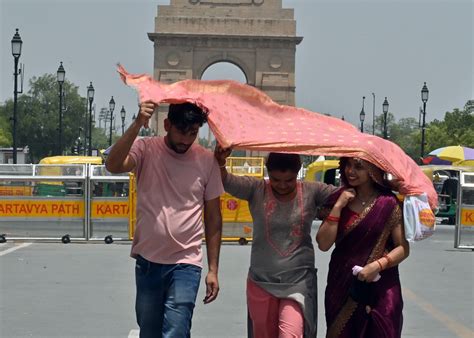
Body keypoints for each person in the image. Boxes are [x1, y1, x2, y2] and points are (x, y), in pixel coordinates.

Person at [106, 101, 224, 338]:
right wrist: (138, 122)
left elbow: (213, 217)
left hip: (186, 262)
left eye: (193, 133)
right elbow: (113, 165)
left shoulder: (206, 160)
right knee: (149, 332)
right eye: (181, 131)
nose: (186, 140)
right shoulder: (146, 149)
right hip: (149, 261)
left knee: (176, 331)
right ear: (167, 124)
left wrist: (213, 269)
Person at [214, 145, 337, 338]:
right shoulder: (256, 189)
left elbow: (348, 194)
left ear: (298, 172)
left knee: (291, 334)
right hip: (261, 280)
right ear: (267, 172)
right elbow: (226, 181)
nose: (282, 185)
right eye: (275, 179)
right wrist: (220, 161)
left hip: (298, 281)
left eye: (289, 180)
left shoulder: (312, 191)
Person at [316, 157, 409, 338]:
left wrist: (376, 266)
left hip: (382, 283)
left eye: (358, 167)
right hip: (342, 281)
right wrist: (338, 206)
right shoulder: (338, 198)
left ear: (372, 170)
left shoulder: (387, 202)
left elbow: (403, 248)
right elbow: (323, 244)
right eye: (347, 165)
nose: (351, 171)